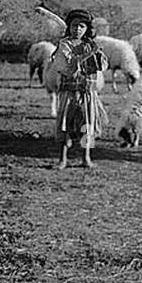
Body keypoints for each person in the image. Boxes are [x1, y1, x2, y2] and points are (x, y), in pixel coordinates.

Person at [47, 9, 107, 168]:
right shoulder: (64, 45)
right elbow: (67, 65)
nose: (77, 29)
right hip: (69, 92)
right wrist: (87, 56)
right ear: (69, 27)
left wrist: (98, 55)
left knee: (87, 125)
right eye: (74, 26)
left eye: (81, 26)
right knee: (64, 124)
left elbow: (101, 66)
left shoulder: (91, 45)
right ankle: (62, 159)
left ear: (87, 29)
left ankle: (86, 157)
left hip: (87, 92)